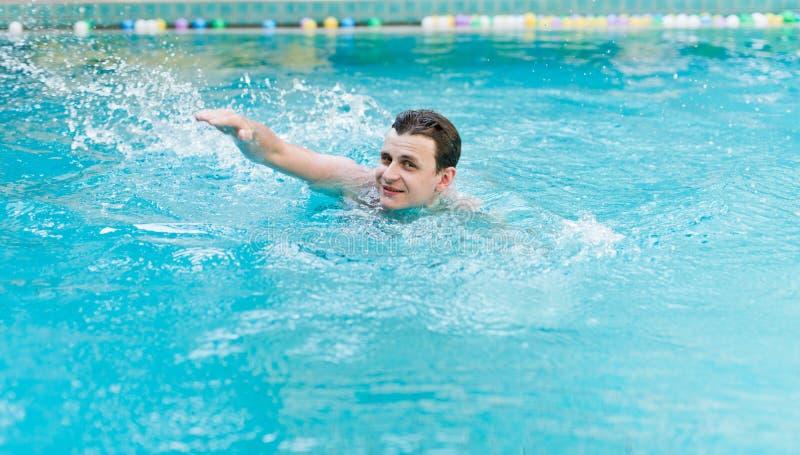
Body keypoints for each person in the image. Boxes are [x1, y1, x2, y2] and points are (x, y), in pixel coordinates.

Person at [194, 108, 470, 212]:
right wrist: (248, 133)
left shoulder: (460, 214)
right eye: (386, 159)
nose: (387, 175)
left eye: (408, 164)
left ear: (443, 179)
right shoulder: (354, 182)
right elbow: (276, 152)